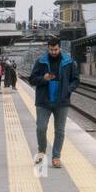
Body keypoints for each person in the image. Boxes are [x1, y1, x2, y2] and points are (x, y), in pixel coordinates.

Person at [28, 37, 80, 169]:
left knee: (60, 131)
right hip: (43, 101)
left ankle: (56, 157)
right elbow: (32, 79)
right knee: (41, 127)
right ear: (48, 48)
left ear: (60, 48)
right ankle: (41, 151)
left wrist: (68, 90)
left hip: (61, 101)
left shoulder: (68, 61)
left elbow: (76, 80)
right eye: (51, 50)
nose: (54, 52)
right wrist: (43, 78)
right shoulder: (40, 61)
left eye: (56, 49)